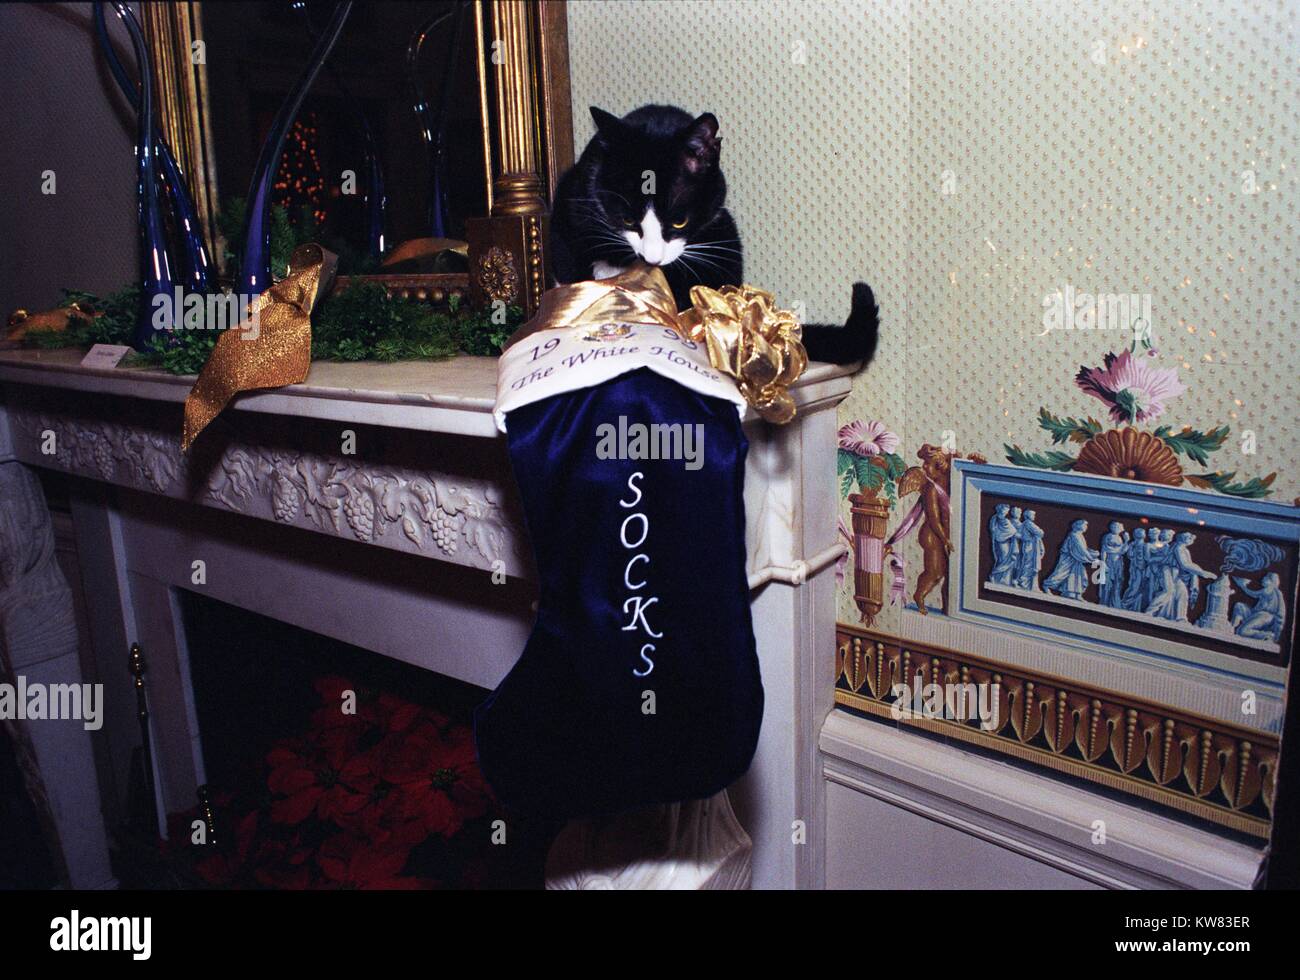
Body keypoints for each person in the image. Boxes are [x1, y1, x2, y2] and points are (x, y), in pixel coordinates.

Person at [1146, 532, 1215, 621]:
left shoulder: (1184, 549)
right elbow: (1184, 564)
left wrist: (1199, 572)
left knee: (1183, 593)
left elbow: (1189, 564)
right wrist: (1202, 573)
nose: (1191, 540)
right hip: (1167, 570)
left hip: (1176, 573)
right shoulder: (1178, 548)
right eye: (1190, 538)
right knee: (1168, 591)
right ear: (1183, 538)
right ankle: (1150, 611)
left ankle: (1181, 617)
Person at [1043, 519, 1099, 601]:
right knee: (1061, 574)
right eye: (1084, 525)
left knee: (1079, 575)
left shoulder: (1080, 535)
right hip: (1069, 559)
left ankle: (1074, 594)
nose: (1086, 527)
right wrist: (1091, 559)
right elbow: (1081, 550)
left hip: (1076, 560)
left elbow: (1084, 549)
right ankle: (1046, 585)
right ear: (1078, 525)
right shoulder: (1074, 535)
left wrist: (1092, 552)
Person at [1232, 572, 1285, 642]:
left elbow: (1252, 593)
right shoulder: (1276, 592)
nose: (1262, 579)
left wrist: (1242, 585)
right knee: (1239, 606)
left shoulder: (1269, 589)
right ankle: (1232, 627)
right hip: (1256, 614)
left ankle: (1267, 635)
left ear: (1271, 581)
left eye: (1265, 578)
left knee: (1242, 631)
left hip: (1264, 616)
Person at [1098, 521, 1129, 608]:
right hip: (1109, 561)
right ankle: (1104, 601)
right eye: (1115, 527)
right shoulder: (1107, 536)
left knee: (1117, 582)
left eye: (1118, 527)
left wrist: (1126, 541)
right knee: (1107, 582)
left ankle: (1114, 603)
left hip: (1118, 562)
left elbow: (1122, 551)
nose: (1117, 529)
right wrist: (1103, 562)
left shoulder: (1120, 538)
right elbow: (1104, 550)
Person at [1015, 509, 1046, 591]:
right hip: (1030, 546)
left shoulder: (1025, 524)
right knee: (1029, 564)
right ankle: (1024, 582)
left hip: (1030, 545)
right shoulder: (1028, 523)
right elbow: (1040, 532)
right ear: (1028, 516)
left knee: (1028, 564)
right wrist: (1040, 531)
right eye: (1033, 515)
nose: (1034, 516)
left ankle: (1027, 583)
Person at [988, 503, 1019, 585]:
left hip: (999, 542)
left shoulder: (994, 518)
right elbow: (1013, 531)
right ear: (1002, 510)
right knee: (1004, 560)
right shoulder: (1003, 520)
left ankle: (1003, 580)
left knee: (1003, 560)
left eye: (1007, 511)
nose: (1007, 512)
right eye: (1006, 510)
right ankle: (995, 576)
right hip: (1003, 543)